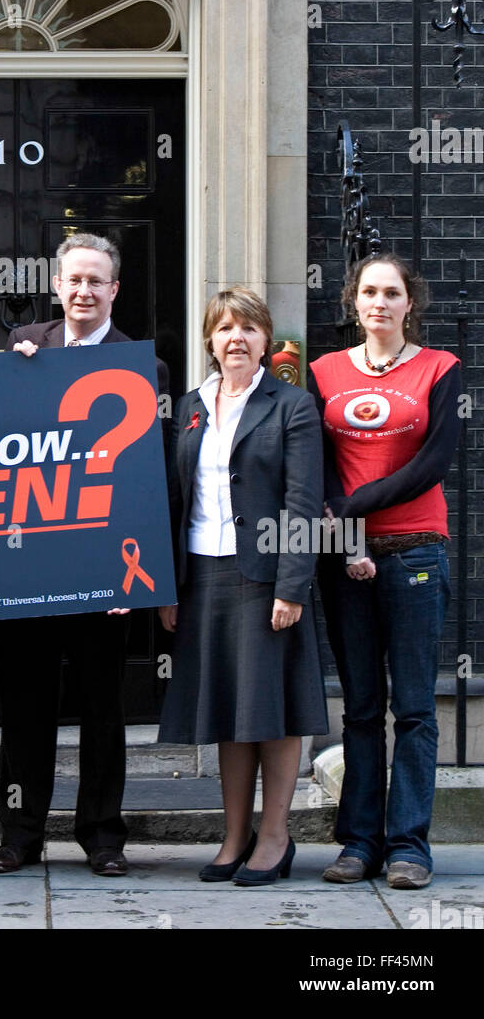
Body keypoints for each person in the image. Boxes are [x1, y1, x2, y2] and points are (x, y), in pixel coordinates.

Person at [0, 233, 169, 878]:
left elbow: (151, 480)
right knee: (25, 707)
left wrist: (142, 573)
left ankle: (102, 836)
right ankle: (20, 833)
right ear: (57, 286)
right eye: (74, 281)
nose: (84, 291)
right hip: (29, 566)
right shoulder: (21, 349)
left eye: (97, 281)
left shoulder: (144, 365)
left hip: (103, 570)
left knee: (102, 709)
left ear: (114, 290)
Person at [158, 287, 327, 886]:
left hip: (266, 578)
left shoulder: (292, 406)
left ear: (264, 340)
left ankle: (275, 837)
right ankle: (234, 835)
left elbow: (304, 501)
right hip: (203, 574)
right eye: (225, 328)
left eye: (249, 330)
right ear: (209, 338)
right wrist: (167, 586)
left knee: (272, 711)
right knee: (230, 709)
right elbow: (174, 497)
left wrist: (292, 586)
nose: (237, 339)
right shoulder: (189, 406)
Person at [309, 254, 461, 890]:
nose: (379, 302)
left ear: (408, 304)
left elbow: (433, 463)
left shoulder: (439, 368)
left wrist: (350, 508)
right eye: (368, 291)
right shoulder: (322, 372)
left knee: (418, 709)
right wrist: (345, 533)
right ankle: (361, 842)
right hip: (347, 560)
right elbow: (313, 463)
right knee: (362, 707)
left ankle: (410, 847)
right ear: (353, 301)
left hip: (416, 550)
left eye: (391, 293)